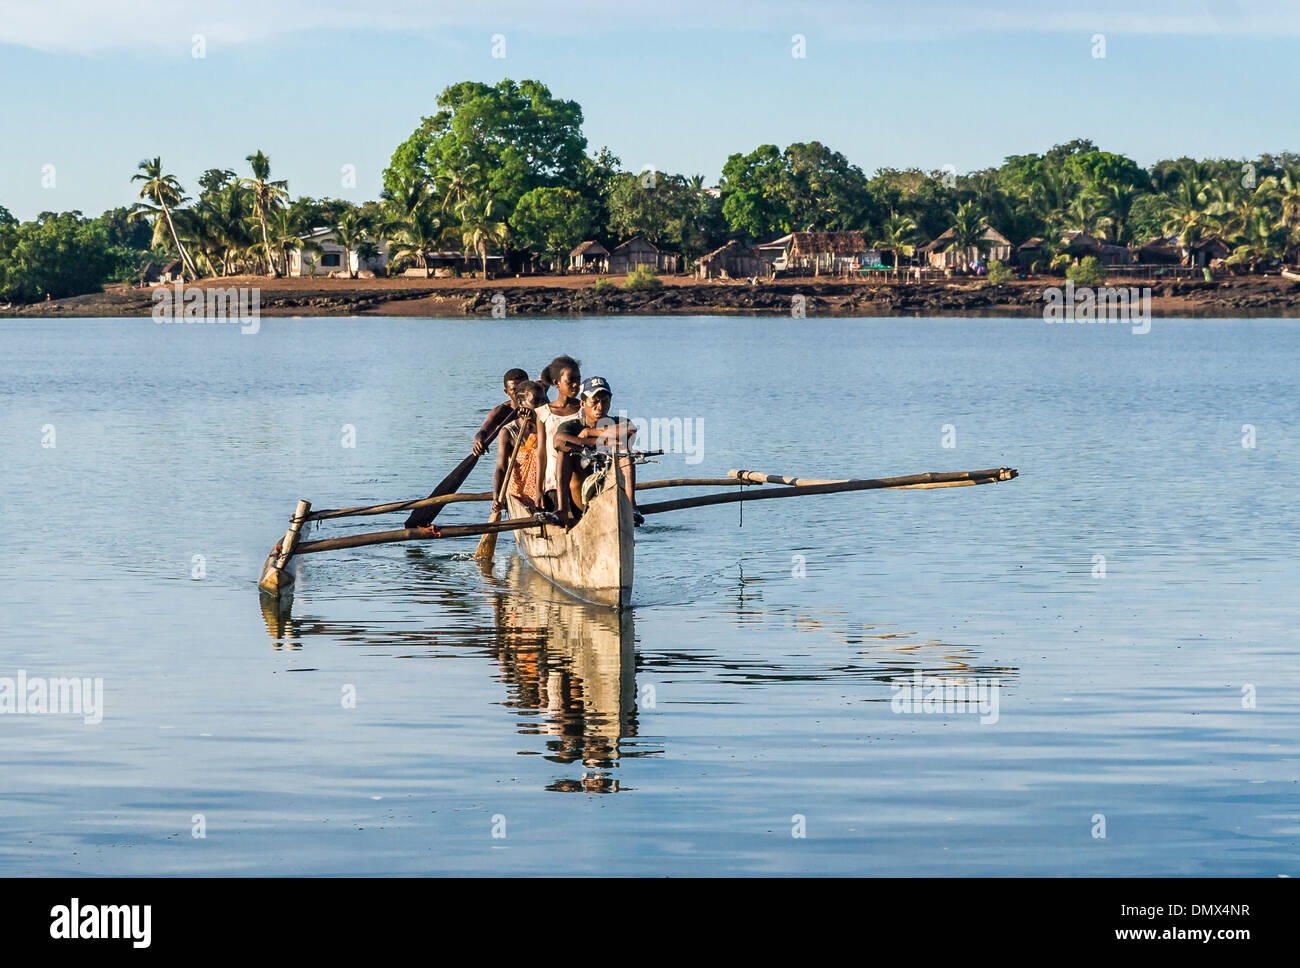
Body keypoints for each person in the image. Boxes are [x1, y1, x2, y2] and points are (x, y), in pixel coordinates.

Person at [551, 376, 644, 526]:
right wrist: (589, 442)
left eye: (605, 401)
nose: (600, 407)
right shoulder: (572, 425)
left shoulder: (619, 422)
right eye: (594, 401)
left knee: (625, 449)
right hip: (581, 495)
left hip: (613, 492)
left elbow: (631, 429)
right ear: (582, 403)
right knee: (564, 451)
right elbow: (558, 441)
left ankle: (631, 506)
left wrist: (590, 433)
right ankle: (562, 509)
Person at [533, 356, 582, 525]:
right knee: (562, 522)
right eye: (571, 381)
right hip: (553, 480)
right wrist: (538, 489)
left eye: (578, 380)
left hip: (581, 477)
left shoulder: (585, 408)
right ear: (556, 383)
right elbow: (541, 453)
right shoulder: (543, 413)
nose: (576, 385)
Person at [496, 380, 547, 513]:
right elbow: (501, 468)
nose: (541, 405)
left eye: (543, 400)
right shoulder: (508, 432)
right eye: (535, 401)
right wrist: (497, 497)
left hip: (543, 490)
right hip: (519, 494)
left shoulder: (548, 424)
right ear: (520, 403)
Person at [472, 368, 529, 457]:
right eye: (514, 390)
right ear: (506, 392)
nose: (520, 393)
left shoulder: (540, 407)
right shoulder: (501, 411)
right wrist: (479, 441)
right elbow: (483, 431)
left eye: (523, 389)